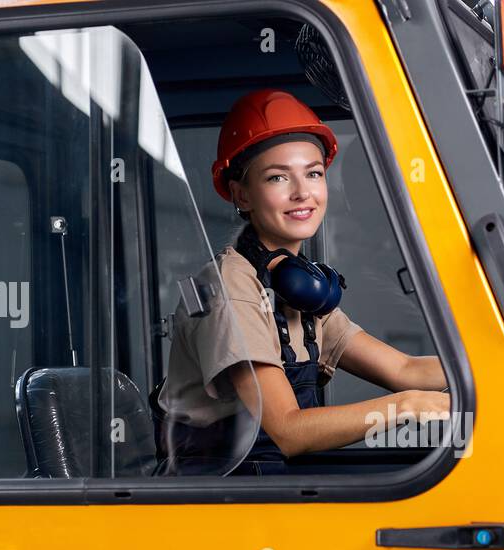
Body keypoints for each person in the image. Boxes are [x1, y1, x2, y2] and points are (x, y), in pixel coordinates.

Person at [156, 89, 449, 476]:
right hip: (218, 502)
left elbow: (406, 369)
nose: (303, 193)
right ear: (241, 194)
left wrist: (489, 369)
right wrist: (409, 405)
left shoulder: (298, 286)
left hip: (276, 485)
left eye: (313, 173)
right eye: (278, 177)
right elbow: (289, 430)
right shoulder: (233, 286)